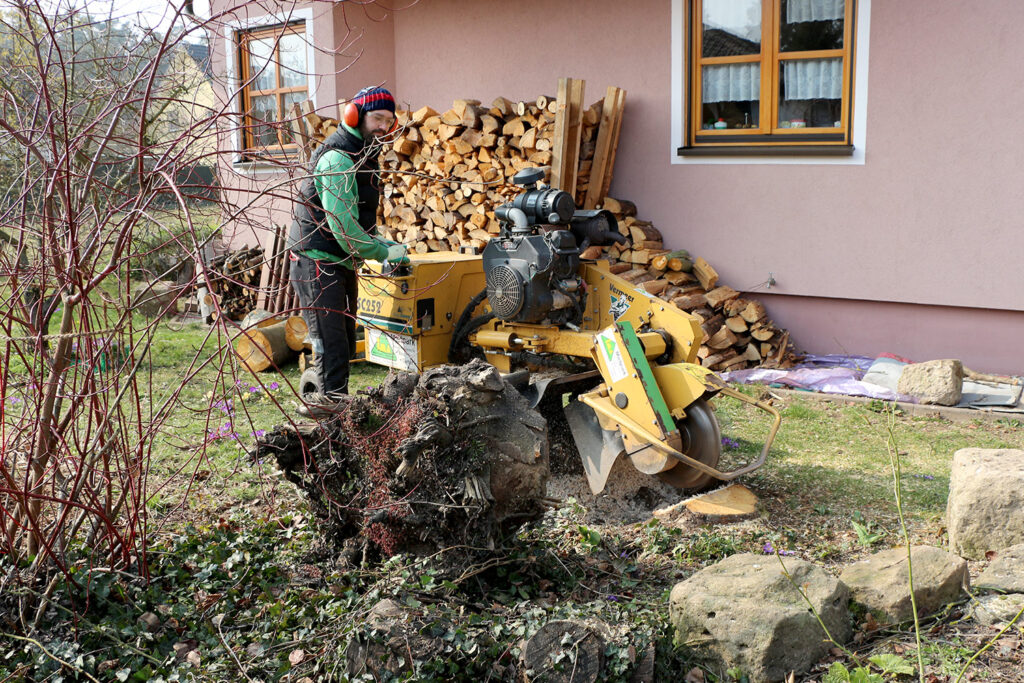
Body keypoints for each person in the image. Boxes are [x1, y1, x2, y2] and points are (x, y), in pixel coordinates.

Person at [288, 86, 408, 401]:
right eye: (377, 118)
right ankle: (329, 425)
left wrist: (387, 244)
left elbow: (360, 223)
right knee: (333, 345)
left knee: (343, 338)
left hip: (337, 260)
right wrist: (384, 252)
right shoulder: (339, 158)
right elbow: (345, 230)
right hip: (316, 260)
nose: (383, 126)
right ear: (354, 116)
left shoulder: (364, 154)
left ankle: (335, 410)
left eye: (388, 121)